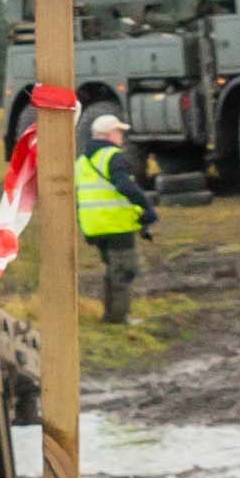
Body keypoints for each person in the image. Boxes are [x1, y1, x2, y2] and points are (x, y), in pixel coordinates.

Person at [76, 105, 155, 324]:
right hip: (115, 224)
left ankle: (111, 314)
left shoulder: (82, 161)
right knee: (125, 270)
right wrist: (147, 208)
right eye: (119, 132)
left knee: (113, 268)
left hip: (94, 226)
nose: (122, 136)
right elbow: (124, 187)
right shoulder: (113, 156)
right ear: (109, 134)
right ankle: (118, 318)